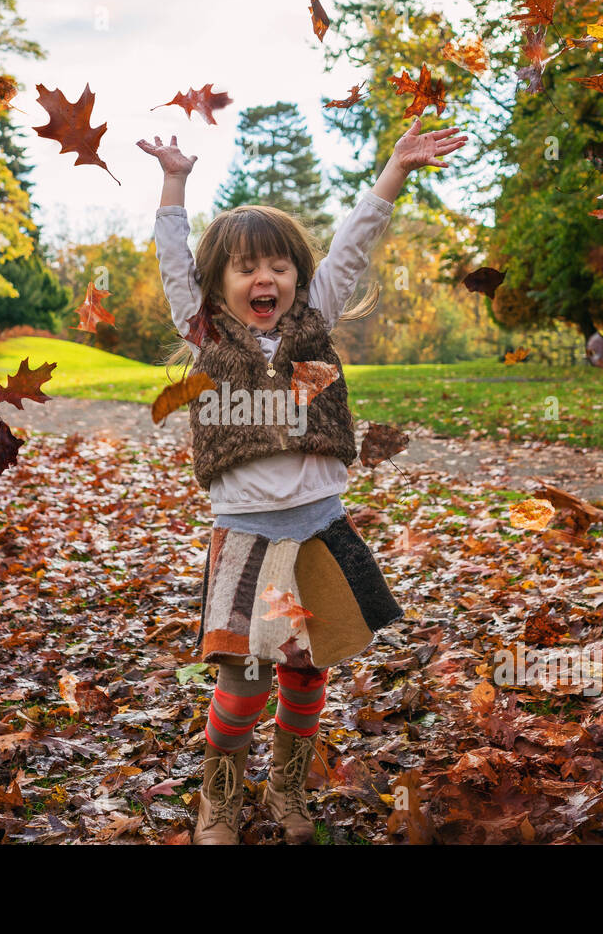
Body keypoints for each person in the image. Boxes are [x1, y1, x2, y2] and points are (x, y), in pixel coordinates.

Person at [138, 118, 468, 844]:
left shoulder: (314, 322)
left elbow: (354, 239)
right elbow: (171, 263)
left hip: (320, 526)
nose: (267, 279)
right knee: (244, 679)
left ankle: (289, 789)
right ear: (218, 284)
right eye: (248, 267)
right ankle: (219, 796)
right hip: (249, 534)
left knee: (307, 674)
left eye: (281, 266)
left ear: (298, 277)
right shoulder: (208, 334)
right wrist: (174, 183)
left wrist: (396, 171)